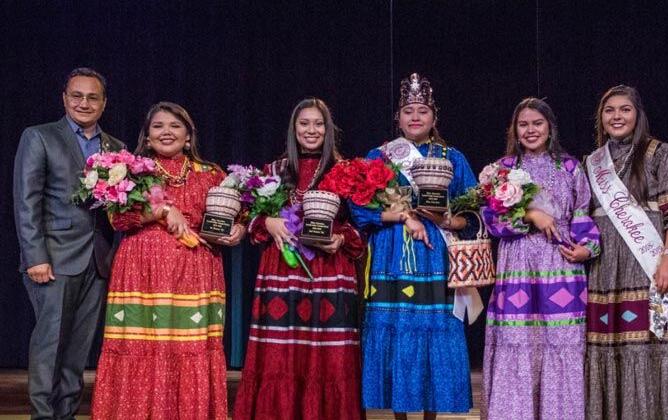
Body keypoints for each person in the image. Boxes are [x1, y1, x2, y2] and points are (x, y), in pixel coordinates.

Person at [90, 102, 244, 419]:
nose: (166, 132)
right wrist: (159, 210)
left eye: (175, 126)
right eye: (158, 126)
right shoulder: (130, 171)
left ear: (188, 136)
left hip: (195, 273)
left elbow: (238, 217)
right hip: (141, 273)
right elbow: (118, 220)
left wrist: (238, 231)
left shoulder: (211, 174)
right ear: (147, 137)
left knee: (190, 349)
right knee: (142, 348)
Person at [351, 73, 476, 419]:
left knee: (433, 329)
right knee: (397, 326)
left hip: (435, 251)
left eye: (422, 110)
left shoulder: (454, 157)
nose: (415, 117)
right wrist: (399, 216)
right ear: (398, 118)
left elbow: (473, 210)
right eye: (408, 111)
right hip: (391, 253)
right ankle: (399, 415)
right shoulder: (379, 156)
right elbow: (360, 208)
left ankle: (432, 415)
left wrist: (446, 220)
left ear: (435, 117)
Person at [233, 98, 365, 420]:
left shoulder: (345, 171)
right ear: (294, 129)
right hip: (283, 269)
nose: (311, 130)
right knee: (281, 353)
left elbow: (363, 225)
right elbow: (246, 218)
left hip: (330, 270)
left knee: (329, 357)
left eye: (318, 124)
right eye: (304, 123)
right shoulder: (274, 172)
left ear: (329, 130)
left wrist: (341, 238)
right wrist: (267, 222)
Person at [12, 67, 125, 419]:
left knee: (79, 349)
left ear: (104, 103)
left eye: (93, 97)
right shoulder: (40, 137)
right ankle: (43, 415)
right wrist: (35, 256)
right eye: (77, 95)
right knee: (50, 345)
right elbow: (26, 201)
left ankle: (66, 414)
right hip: (53, 259)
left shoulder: (116, 148)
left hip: (98, 260)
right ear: (64, 98)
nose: (84, 103)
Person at [584, 85, 668, 419]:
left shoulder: (660, 153)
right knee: (608, 346)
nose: (617, 116)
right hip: (605, 268)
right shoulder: (592, 162)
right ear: (601, 118)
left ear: (638, 115)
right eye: (610, 110)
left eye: (625, 109)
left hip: (648, 263)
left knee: (652, 345)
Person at [481, 97, 600, 419]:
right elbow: (491, 221)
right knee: (517, 340)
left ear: (550, 128)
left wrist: (587, 248)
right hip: (518, 265)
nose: (530, 130)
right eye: (524, 124)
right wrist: (532, 215)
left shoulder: (570, 167)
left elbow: (582, 213)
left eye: (537, 123)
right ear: (514, 130)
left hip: (560, 264)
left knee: (561, 340)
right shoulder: (502, 170)